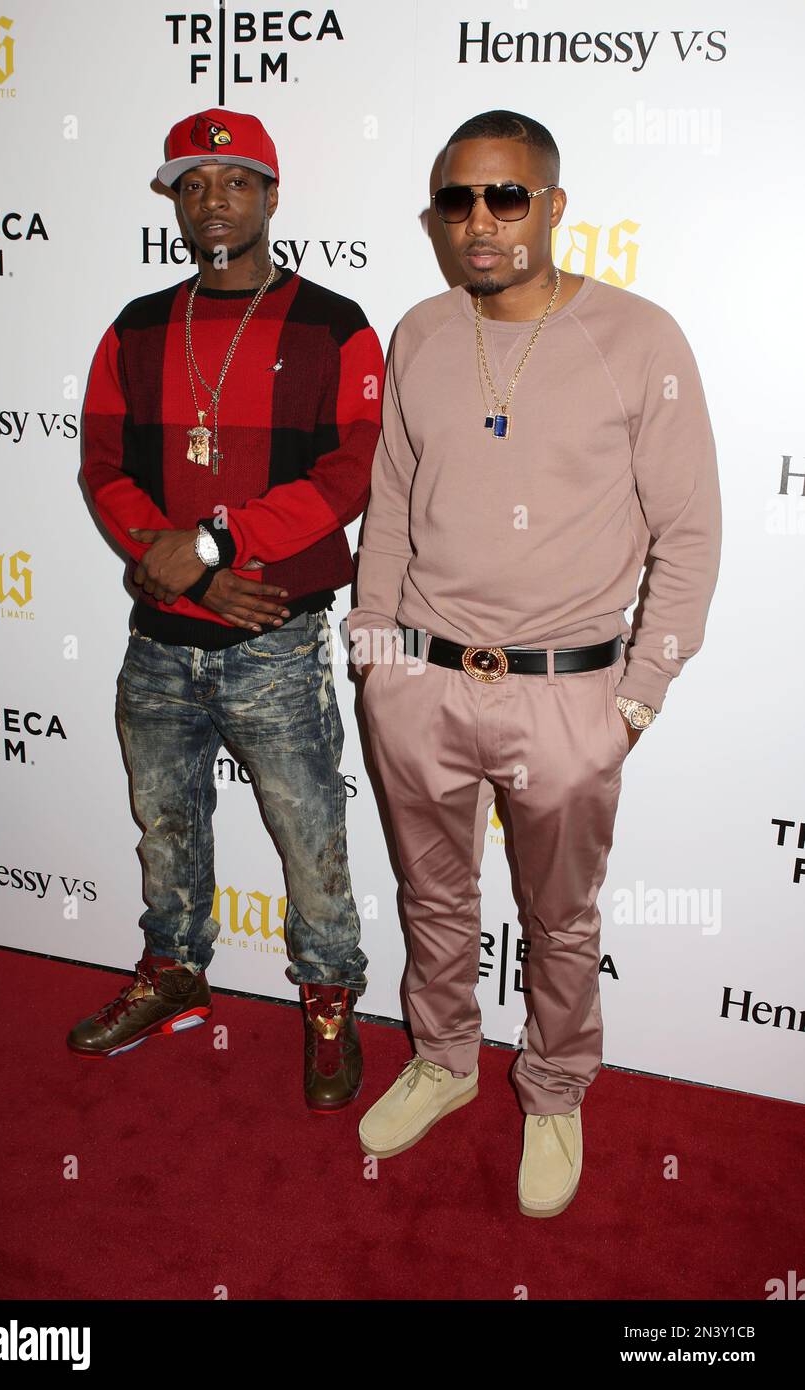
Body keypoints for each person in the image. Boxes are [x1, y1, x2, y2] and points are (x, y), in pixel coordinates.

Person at [347, 109, 721, 1214]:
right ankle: (444, 1059)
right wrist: (377, 658)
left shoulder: (637, 337)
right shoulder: (419, 331)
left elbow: (687, 536)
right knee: (431, 893)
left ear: (553, 207)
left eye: (504, 197)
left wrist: (637, 696)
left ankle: (553, 1089)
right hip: (419, 681)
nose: (479, 221)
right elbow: (390, 507)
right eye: (456, 200)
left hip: (568, 694)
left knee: (559, 918)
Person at [70, 107, 384, 1114]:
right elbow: (104, 468)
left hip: (275, 641)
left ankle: (329, 997)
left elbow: (350, 472)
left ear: (271, 194)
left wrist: (212, 545)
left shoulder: (334, 324)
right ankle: (174, 971)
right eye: (192, 184)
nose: (214, 200)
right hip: (161, 639)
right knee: (164, 823)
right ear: (172, 201)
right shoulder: (136, 326)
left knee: (308, 831)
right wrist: (188, 574)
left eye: (234, 181)